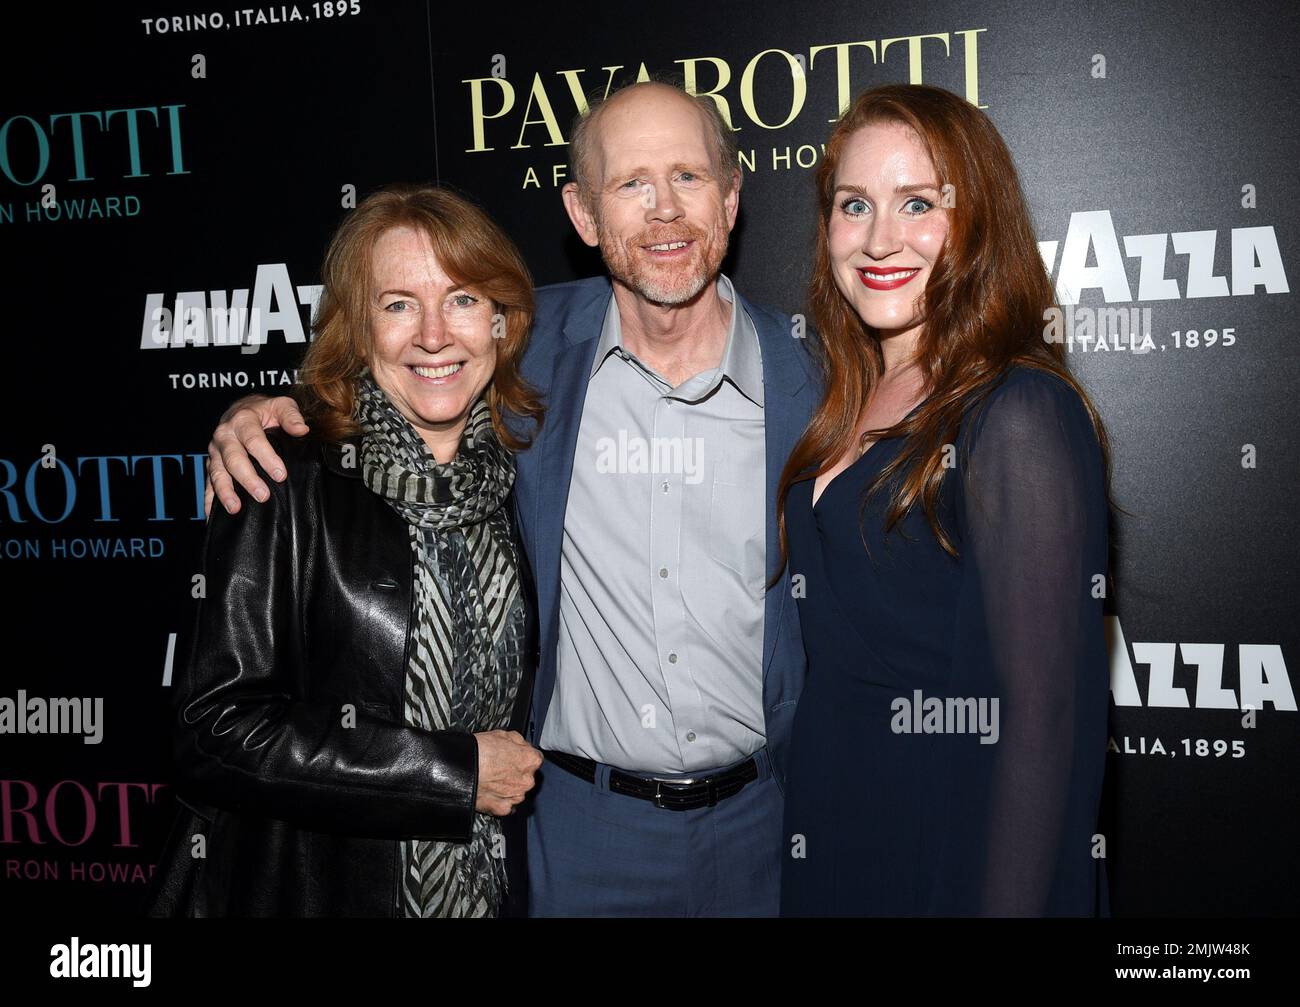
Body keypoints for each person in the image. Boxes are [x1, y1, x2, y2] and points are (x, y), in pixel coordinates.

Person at [202, 80, 821, 917]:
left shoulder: (817, 379)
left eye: (689, 177)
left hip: (767, 826)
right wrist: (260, 413)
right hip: (575, 833)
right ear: (583, 214)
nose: (665, 211)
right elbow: (401, 362)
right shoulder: (527, 359)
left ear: (734, 195)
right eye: (631, 183)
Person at [148, 184, 545, 918]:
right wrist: (448, 775)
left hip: (490, 891)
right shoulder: (284, 474)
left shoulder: (525, 474)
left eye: (460, 299)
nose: (433, 334)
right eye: (397, 304)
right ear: (359, 330)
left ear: (502, 321)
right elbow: (214, 728)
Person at [775, 84, 1111, 916]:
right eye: (855, 205)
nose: (880, 238)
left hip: (948, 855)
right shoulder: (844, 395)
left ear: (975, 219)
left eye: (917, 203)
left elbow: (1044, 727)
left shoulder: (1018, 409)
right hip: (838, 839)